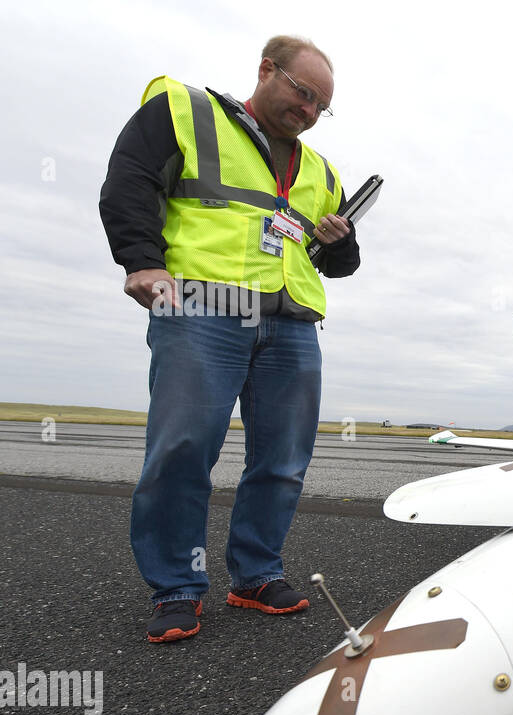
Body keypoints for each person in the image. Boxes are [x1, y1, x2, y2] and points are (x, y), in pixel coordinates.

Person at [99, 35, 361, 642]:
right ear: (267, 69)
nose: (309, 111)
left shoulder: (321, 171)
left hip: (291, 321)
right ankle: (177, 587)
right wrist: (142, 260)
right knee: (183, 449)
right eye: (303, 93)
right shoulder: (186, 111)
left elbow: (338, 264)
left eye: (321, 106)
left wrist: (341, 242)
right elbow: (130, 180)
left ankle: (256, 574)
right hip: (203, 307)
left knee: (283, 460)